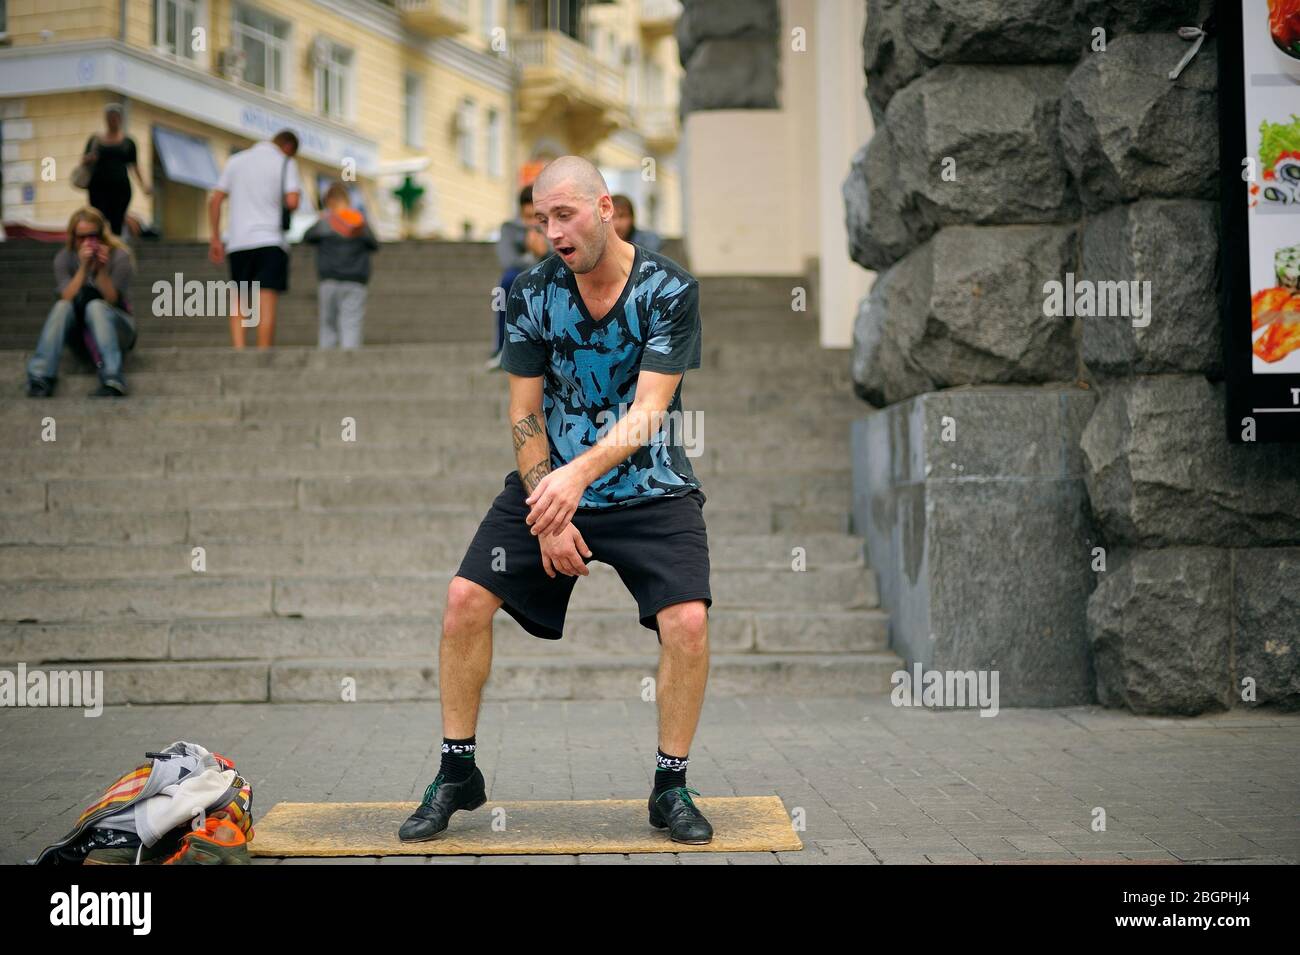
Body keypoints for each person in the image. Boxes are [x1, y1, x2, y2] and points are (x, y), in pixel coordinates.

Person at [398, 156, 713, 846]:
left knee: (687, 621)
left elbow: (650, 410)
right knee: (462, 601)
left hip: (650, 485)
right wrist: (550, 497)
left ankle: (671, 785)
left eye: (564, 215)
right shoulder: (533, 291)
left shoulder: (668, 288)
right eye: (542, 220)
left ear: (605, 207)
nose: (553, 233)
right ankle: (457, 771)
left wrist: (576, 480)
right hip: (551, 482)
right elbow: (523, 412)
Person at [26, 206, 137, 397]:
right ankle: (41, 376)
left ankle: (112, 377)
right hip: (79, 331)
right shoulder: (64, 258)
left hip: (119, 329)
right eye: (81, 237)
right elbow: (66, 297)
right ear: (72, 236)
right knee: (62, 306)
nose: (88, 241)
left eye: (93, 235)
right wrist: (84, 269)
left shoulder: (119, 256)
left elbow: (112, 300)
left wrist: (100, 270)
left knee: (96, 306)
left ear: (102, 234)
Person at [207, 130, 302, 348]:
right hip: (270, 240)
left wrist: (215, 238)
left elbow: (215, 200)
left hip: (238, 242)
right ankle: (262, 355)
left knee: (239, 300)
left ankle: (239, 350)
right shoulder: (285, 162)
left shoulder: (235, 161)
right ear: (288, 147)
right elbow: (293, 201)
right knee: (265, 301)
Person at [303, 182, 379, 349]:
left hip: (329, 280)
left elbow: (307, 236)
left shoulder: (325, 223)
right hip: (355, 280)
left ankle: (326, 363)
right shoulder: (359, 222)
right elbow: (374, 243)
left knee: (328, 325)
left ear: (329, 202)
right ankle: (349, 362)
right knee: (351, 324)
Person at [487, 185, 550, 369]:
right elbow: (507, 260)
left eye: (537, 217)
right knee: (505, 284)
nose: (532, 223)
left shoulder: (553, 226)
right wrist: (535, 253)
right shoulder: (510, 229)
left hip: (549, 275)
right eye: (528, 217)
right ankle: (501, 347)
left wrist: (544, 252)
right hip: (518, 278)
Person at [79, 104, 151, 238]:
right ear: (106, 119)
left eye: (116, 117)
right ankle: (100, 245)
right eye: (110, 118)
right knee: (99, 218)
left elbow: (135, 166)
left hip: (120, 189)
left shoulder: (128, 142)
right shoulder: (96, 140)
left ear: (120, 119)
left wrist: (144, 185)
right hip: (99, 188)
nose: (113, 121)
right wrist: (90, 159)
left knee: (117, 219)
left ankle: (115, 247)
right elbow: (83, 160)